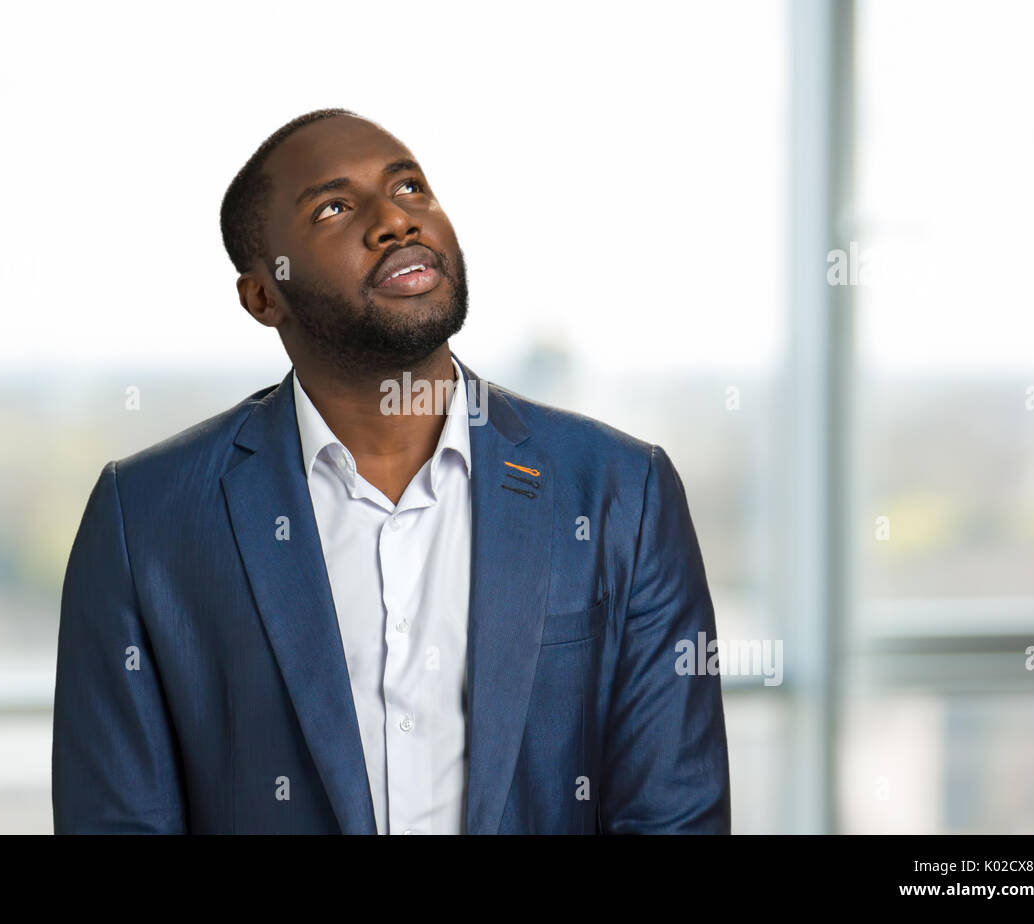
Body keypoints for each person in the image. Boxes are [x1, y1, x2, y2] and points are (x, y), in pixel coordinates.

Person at [52, 108, 730, 833]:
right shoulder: (146, 520)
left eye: (410, 188)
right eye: (335, 208)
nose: (395, 222)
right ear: (262, 295)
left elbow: (673, 817)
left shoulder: (624, 492)